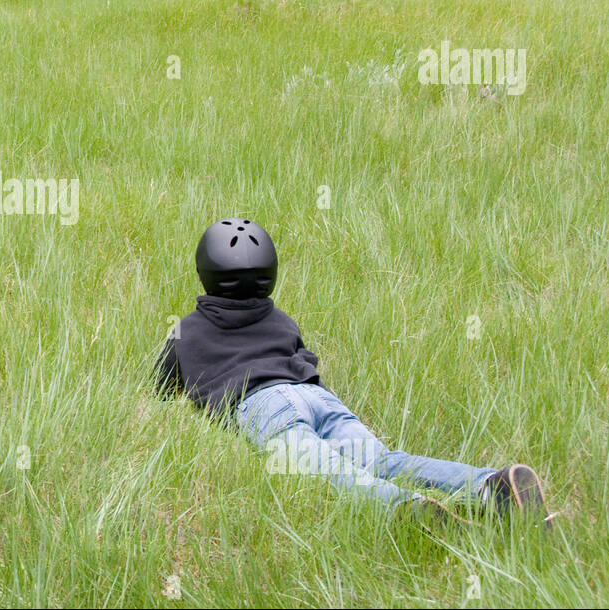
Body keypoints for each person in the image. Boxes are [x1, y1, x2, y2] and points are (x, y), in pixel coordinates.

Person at [155, 217, 548, 527]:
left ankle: (408, 512)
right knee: (383, 460)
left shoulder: (186, 331)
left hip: (264, 407)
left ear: (204, 271)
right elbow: (302, 355)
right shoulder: (282, 320)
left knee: (329, 472)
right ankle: (488, 485)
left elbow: (160, 387)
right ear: (270, 274)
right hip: (316, 397)